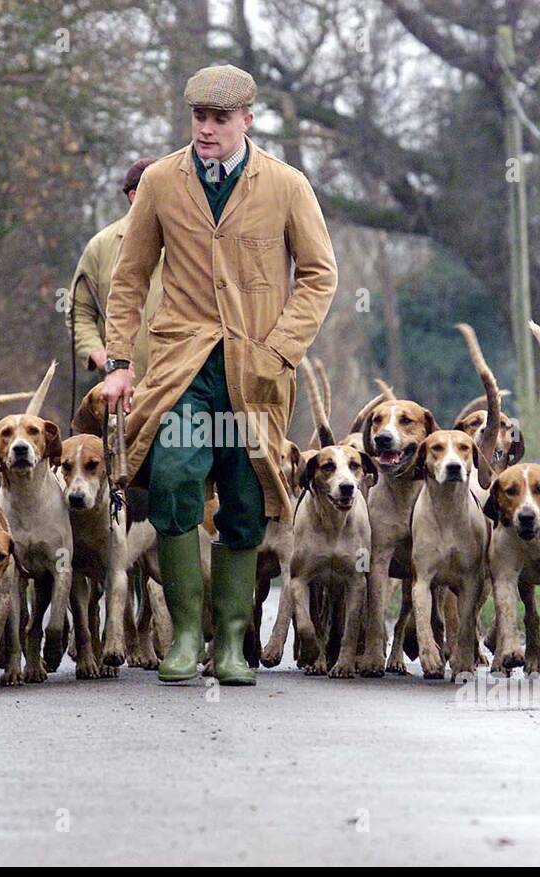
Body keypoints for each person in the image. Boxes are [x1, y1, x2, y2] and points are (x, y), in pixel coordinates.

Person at [101, 64, 337, 685]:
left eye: (220, 119)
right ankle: (184, 635)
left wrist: (281, 349)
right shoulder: (159, 181)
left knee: (244, 494)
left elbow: (319, 273)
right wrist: (121, 363)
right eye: (198, 118)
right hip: (183, 367)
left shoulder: (286, 186)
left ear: (247, 121)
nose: (206, 130)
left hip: (255, 371)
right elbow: (129, 277)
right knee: (176, 479)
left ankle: (232, 643)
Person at [67, 158, 163, 380]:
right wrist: (100, 355)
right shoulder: (100, 247)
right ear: (134, 197)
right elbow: (79, 312)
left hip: (180, 393)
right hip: (120, 392)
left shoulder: (189, 244)